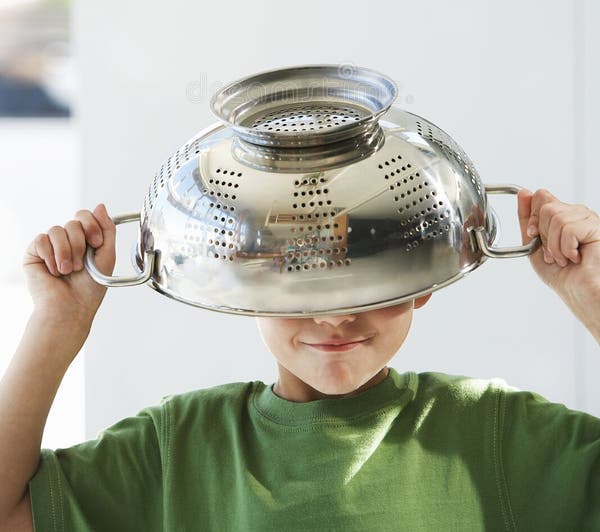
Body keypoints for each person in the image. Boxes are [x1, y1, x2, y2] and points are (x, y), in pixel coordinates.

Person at [0, 188, 599, 531]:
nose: (334, 318)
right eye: (301, 286)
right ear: (246, 289)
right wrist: (58, 323)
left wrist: (593, 296)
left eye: (369, 283)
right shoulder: (181, 448)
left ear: (425, 282)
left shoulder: (491, 434)